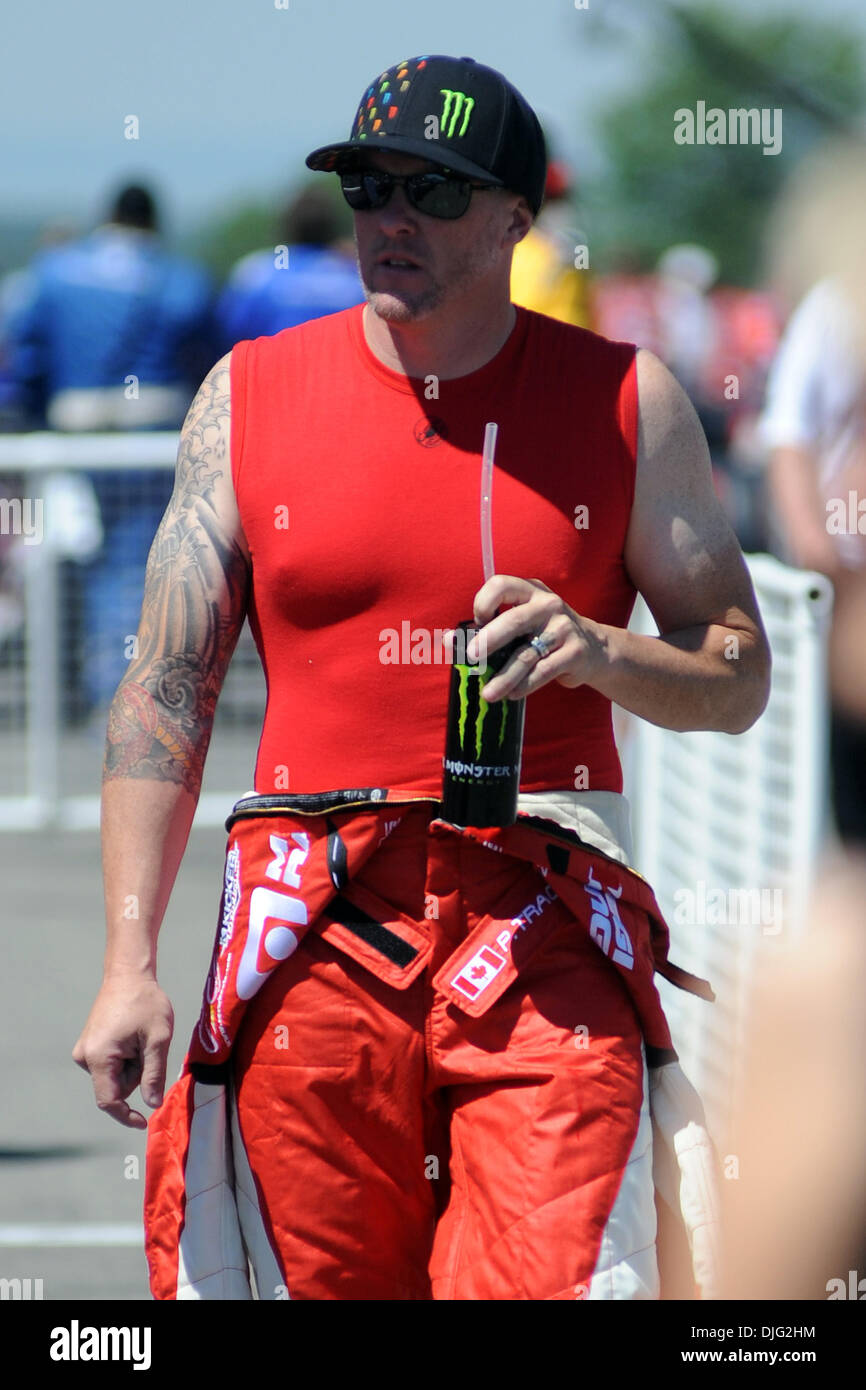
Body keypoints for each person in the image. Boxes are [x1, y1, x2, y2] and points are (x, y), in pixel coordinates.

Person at [73, 55, 771, 1301]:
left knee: (558, 1283)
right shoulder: (248, 395)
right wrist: (129, 960)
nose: (390, 218)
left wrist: (603, 653)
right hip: (312, 932)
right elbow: (162, 690)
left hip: (540, 921)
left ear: (515, 218)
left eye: (432, 194)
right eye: (368, 187)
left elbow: (737, 673)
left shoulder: (628, 401)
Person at [3, 183, 215, 717]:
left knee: (62, 558)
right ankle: (123, 690)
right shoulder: (181, 277)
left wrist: (25, 417)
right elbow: (209, 359)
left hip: (71, 439)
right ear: (154, 223)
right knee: (143, 561)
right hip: (154, 438)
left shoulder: (53, 274)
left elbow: (25, 356)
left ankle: (74, 686)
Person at [215, 184, 364, 351]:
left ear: (287, 226)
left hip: (271, 371)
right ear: (332, 229)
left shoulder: (256, 273)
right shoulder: (357, 275)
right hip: (339, 372)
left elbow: (227, 331)